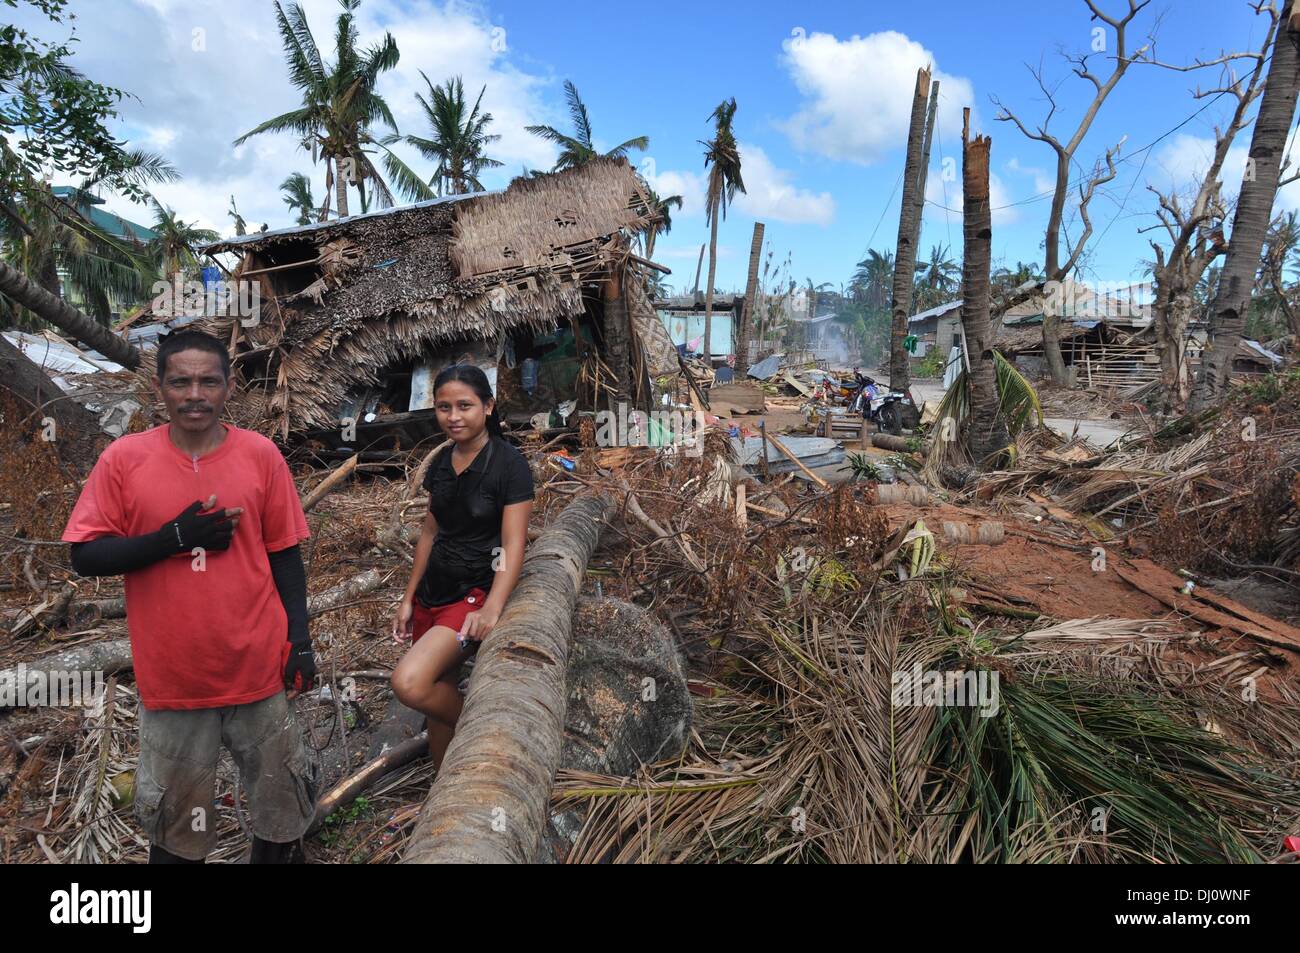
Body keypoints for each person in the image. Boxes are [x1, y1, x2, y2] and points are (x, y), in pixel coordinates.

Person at [61, 329, 317, 864]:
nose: (194, 394)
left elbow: (284, 555)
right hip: (174, 680)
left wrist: (301, 639)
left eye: (208, 381)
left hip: (259, 670)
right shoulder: (124, 460)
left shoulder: (260, 455)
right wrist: (173, 539)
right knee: (176, 834)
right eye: (180, 382)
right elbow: (84, 556)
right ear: (160, 388)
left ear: (228, 388)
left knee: (281, 814)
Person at [391, 364, 534, 768]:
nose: (453, 416)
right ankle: (442, 787)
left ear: (488, 407)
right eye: (443, 407)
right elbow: (429, 533)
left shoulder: (509, 464)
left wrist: (492, 606)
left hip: (470, 597)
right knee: (438, 692)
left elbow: (513, 542)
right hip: (431, 594)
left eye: (465, 406)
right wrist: (408, 598)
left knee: (411, 682)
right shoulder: (441, 462)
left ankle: (490, 729)